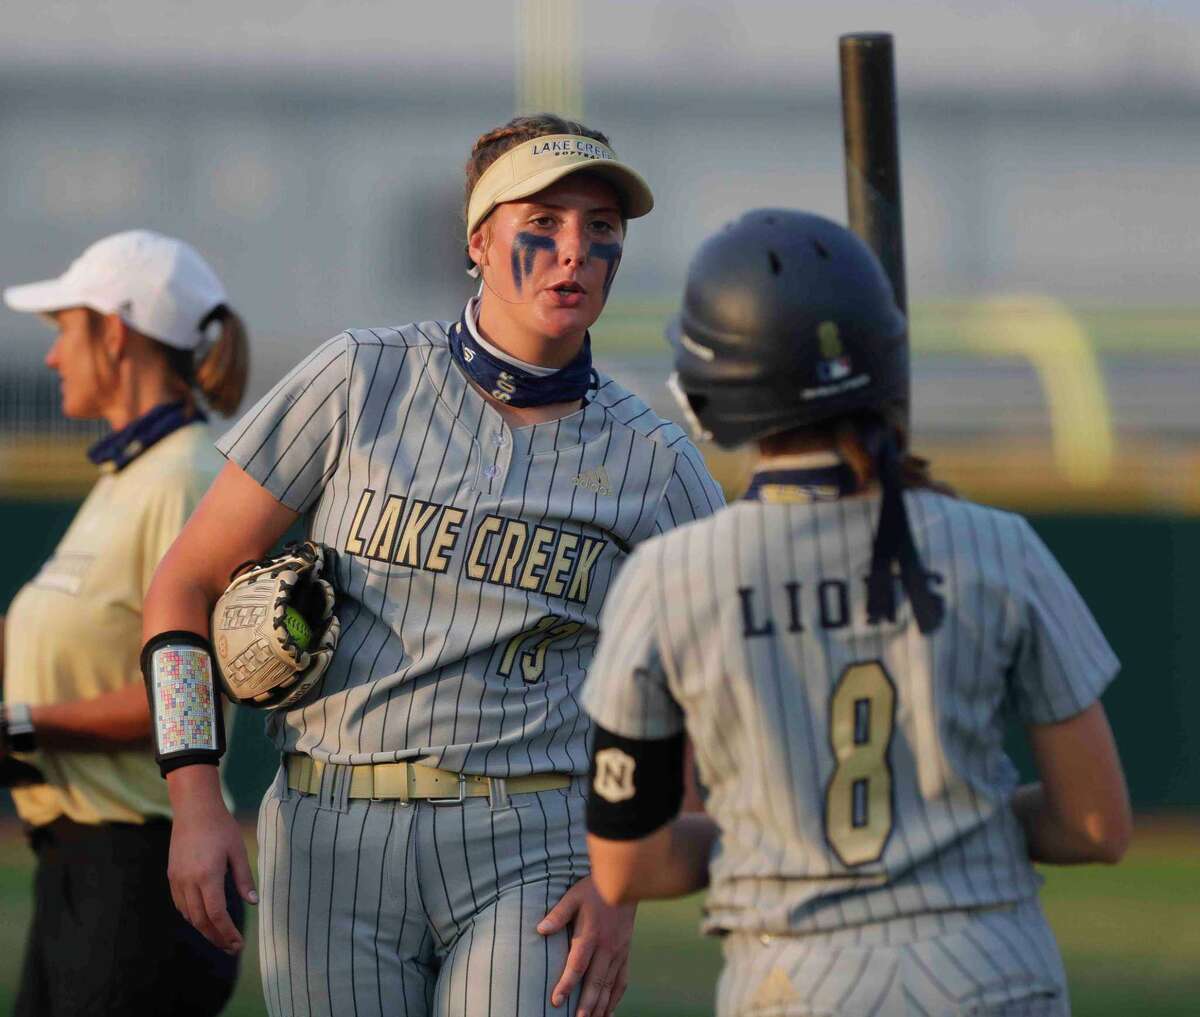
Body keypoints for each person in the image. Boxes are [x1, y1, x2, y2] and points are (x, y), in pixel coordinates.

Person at [141, 114, 725, 1017]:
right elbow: (187, 580)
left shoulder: (656, 462)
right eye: (544, 220)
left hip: (537, 841)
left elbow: (706, 687)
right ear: (479, 242)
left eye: (601, 228)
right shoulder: (359, 378)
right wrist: (195, 794)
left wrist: (625, 879)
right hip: (331, 827)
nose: (575, 250)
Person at [581, 209, 1132, 1017]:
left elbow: (629, 866)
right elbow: (1096, 825)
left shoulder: (670, 575)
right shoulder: (998, 545)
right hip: (989, 965)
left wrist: (776, 842)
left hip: (795, 979)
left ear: (715, 384)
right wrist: (950, 826)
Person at [0, 229, 251, 1016]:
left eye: (65, 331)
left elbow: (186, 697)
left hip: (141, 876)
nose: (52, 357)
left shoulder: (188, 474)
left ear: (115, 331)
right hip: (79, 866)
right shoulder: (130, 473)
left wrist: (19, 725)